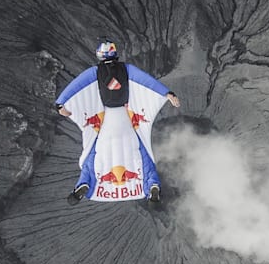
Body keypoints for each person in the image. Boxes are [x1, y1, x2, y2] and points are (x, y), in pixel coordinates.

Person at [54, 42, 180, 204]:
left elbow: (76, 85)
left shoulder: (94, 72)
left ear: (99, 55)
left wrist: (60, 104)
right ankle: (151, 185)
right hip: (126, 120)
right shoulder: (126, 69)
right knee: (144, 159)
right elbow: (146, 81)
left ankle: (85, 183)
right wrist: (167, 93)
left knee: (92, 158)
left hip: (105, 123)